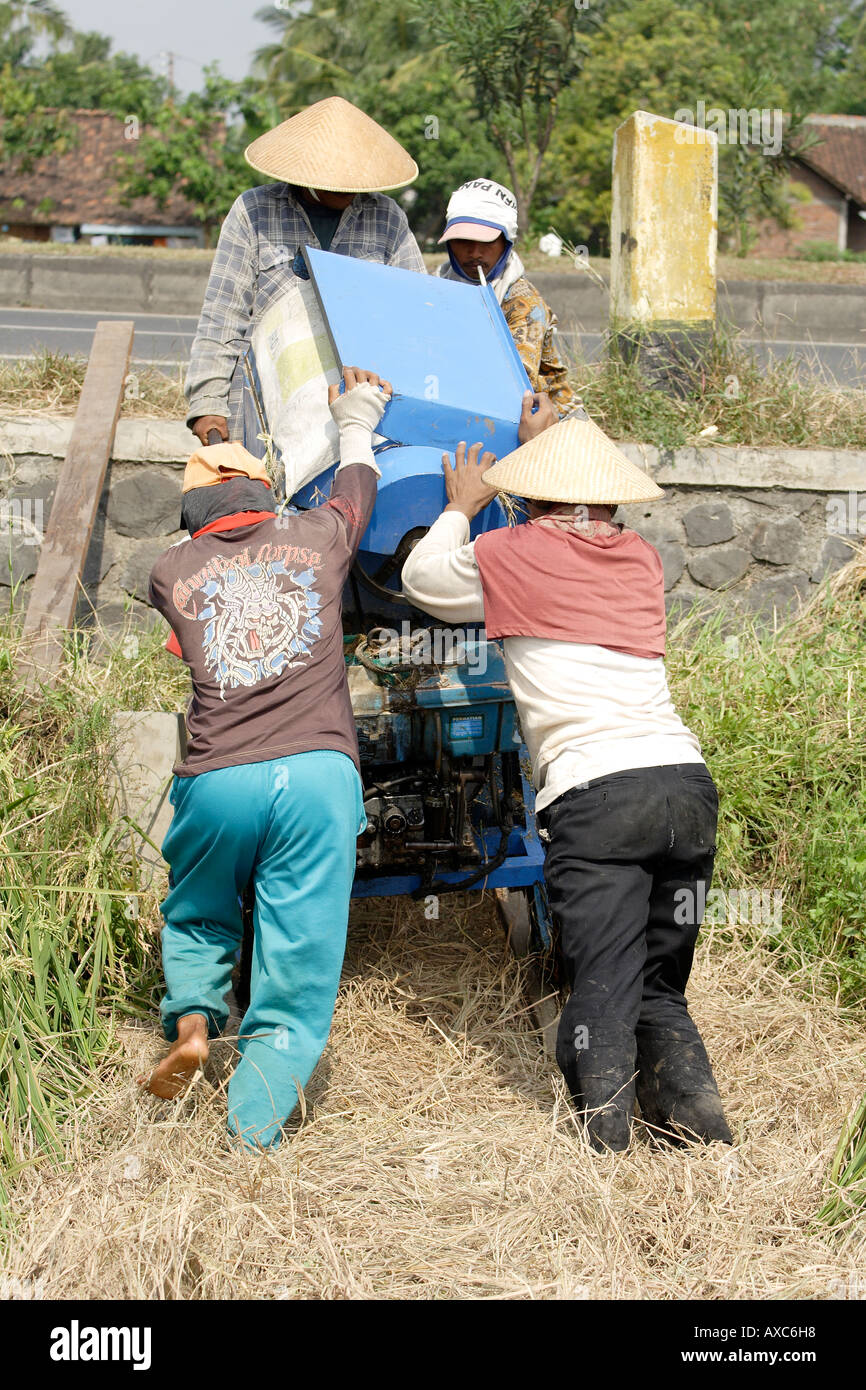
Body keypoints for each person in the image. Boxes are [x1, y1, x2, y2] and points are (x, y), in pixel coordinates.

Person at [400, 409, 732, 1154]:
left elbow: (421, 578)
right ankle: (703, 1143)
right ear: (612, 501)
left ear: (528, 499)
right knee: (658, 987)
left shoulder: (511, 553)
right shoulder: (642, 558)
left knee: (603, 985)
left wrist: (461, 506)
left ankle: (606, 1152)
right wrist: (548, 442)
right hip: (686, 792)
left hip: (600, 799)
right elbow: (573, 539)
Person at [143, 367, 391, 1150]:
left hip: (218, 778)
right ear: (265, 493)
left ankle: (191, 1024)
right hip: (316, 775)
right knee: (298, 953)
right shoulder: (316, 536)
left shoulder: (168, 572)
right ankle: (252, 1128)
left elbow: (189, 620)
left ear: (192, 520)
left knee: (201, 909)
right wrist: (356, 419)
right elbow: (357, 488)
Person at [185, 96, 424, 449]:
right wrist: (208, 401)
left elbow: (414, 312)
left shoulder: (386, 219)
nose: (347, 188)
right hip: (269, 403)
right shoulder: (254, 212)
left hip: (360, 403)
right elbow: (223, 315)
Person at [436, 178, 581, 419]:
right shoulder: (435, 287)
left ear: (506, 243)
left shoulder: (524, 304)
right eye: (463, 242)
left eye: (486, 242)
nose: (474, 253)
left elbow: (514, 385)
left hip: (548, 423)